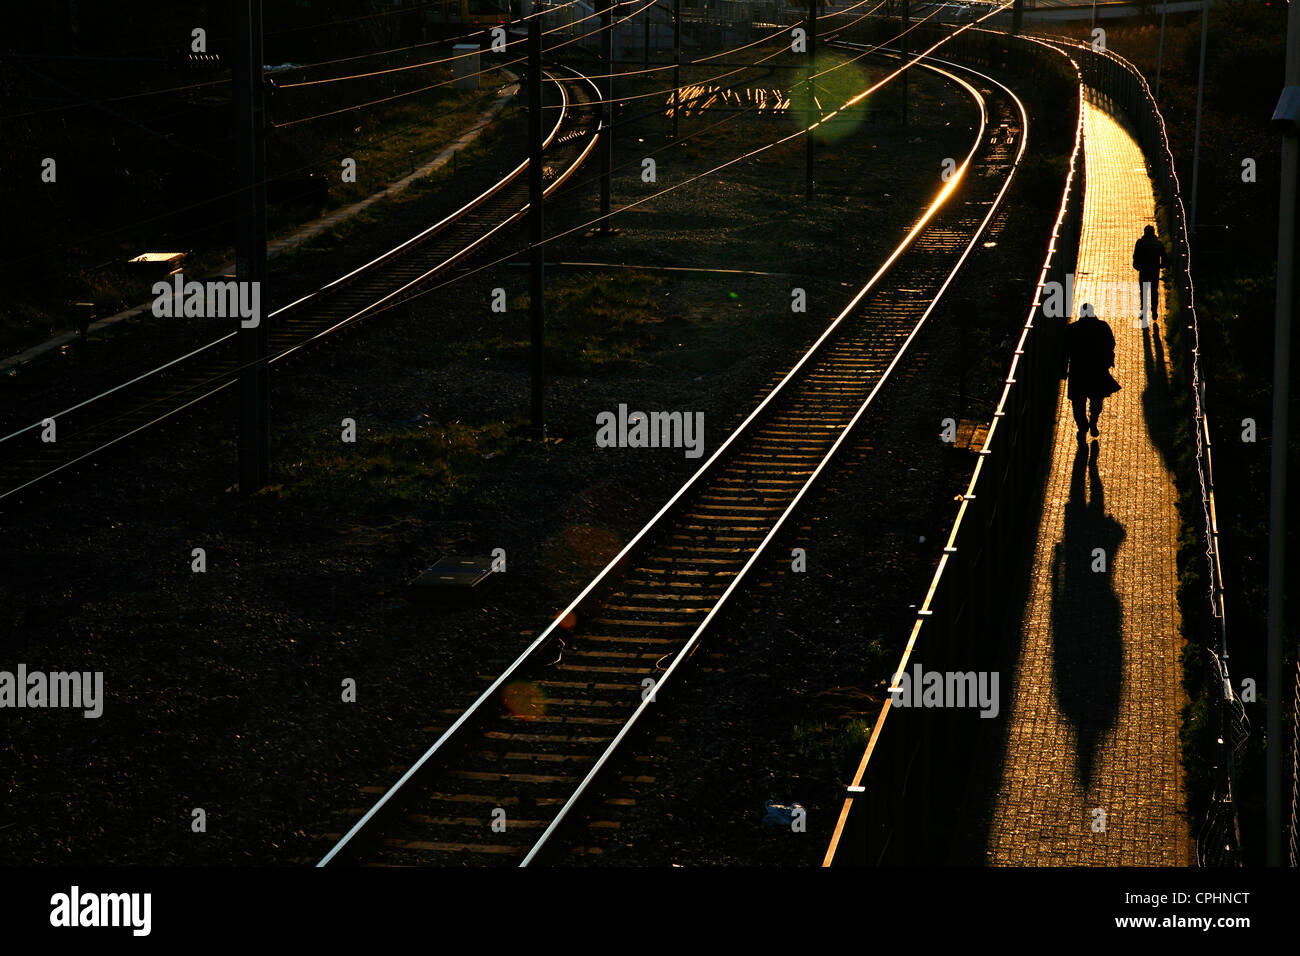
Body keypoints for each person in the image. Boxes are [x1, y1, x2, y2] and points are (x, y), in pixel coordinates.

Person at [1062, 302, 1117, 441]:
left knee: (1077, 403)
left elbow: (1064, 351)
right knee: (1097, 399)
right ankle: (1093, 421)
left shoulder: (1072, 329)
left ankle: (1083, 426)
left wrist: (1063, 370)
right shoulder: (1102, 327)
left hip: (1077, 372)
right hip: (1097, 371)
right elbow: (1111, 344)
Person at [1132, 225, 1168, 324]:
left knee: (1143, 291)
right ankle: (1154, 311)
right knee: (1154, 291)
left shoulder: (1140, 243)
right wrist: (1162, 265)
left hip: (1143, 270)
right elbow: (1164, 256)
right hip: (1154, 271)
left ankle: (1143, 311)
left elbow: (1135, 256)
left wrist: (1137, 265)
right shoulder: (1158, 244)